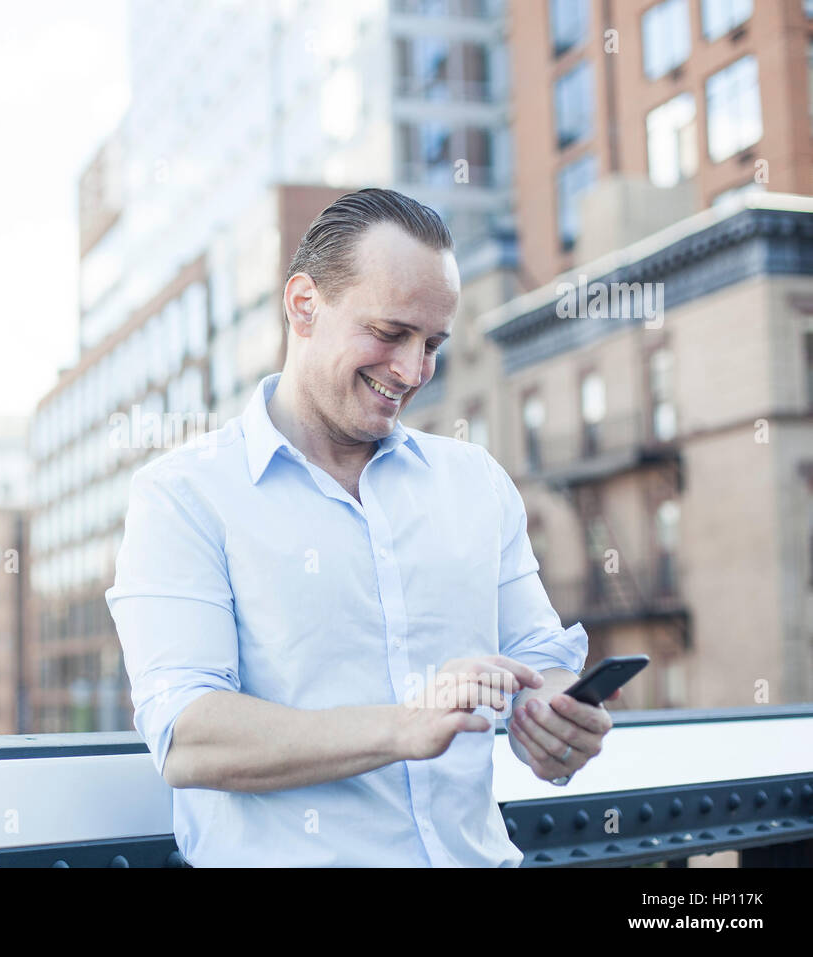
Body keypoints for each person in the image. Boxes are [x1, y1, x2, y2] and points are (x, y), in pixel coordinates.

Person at [105, 187, 618, 867]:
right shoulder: (182, 495)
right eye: (389, 332)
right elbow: (189, 735)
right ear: (303, 305)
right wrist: (404, 726)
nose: (412, 371)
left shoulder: (476, 482)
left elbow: (538, 654)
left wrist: (554, 723)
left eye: (432, 343)